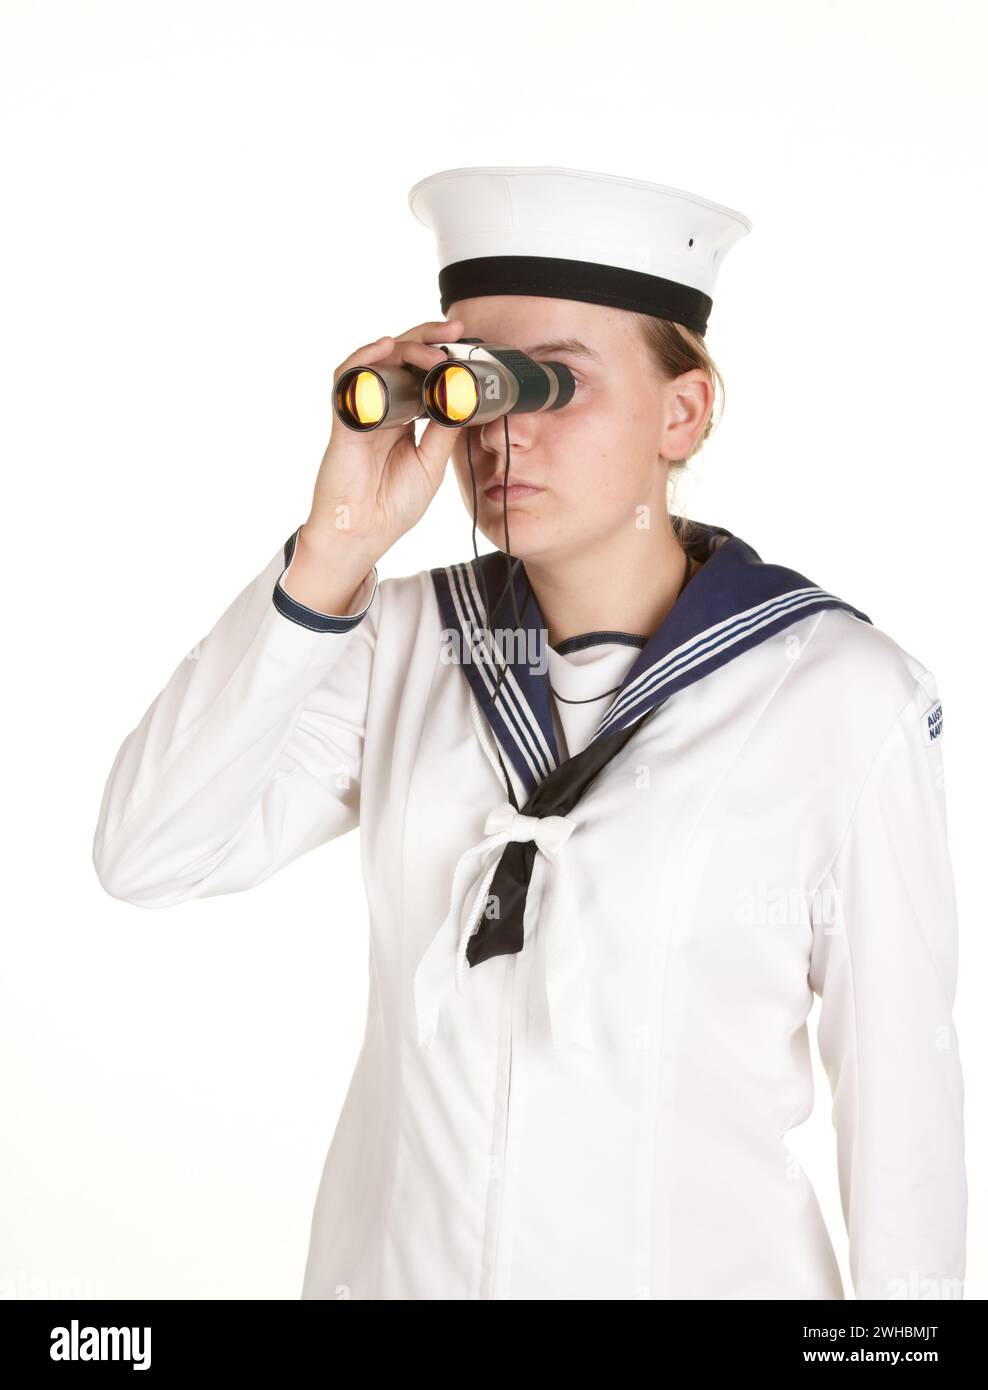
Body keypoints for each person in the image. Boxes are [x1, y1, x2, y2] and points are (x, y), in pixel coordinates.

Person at [92, 166, 966, 1300]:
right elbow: (145, 853)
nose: (505, 435)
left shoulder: (833, 692)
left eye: (555, 383)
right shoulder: (397, 642)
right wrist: (337, 545)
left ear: (682, 410)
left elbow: (901, 1107)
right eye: (473, 388)